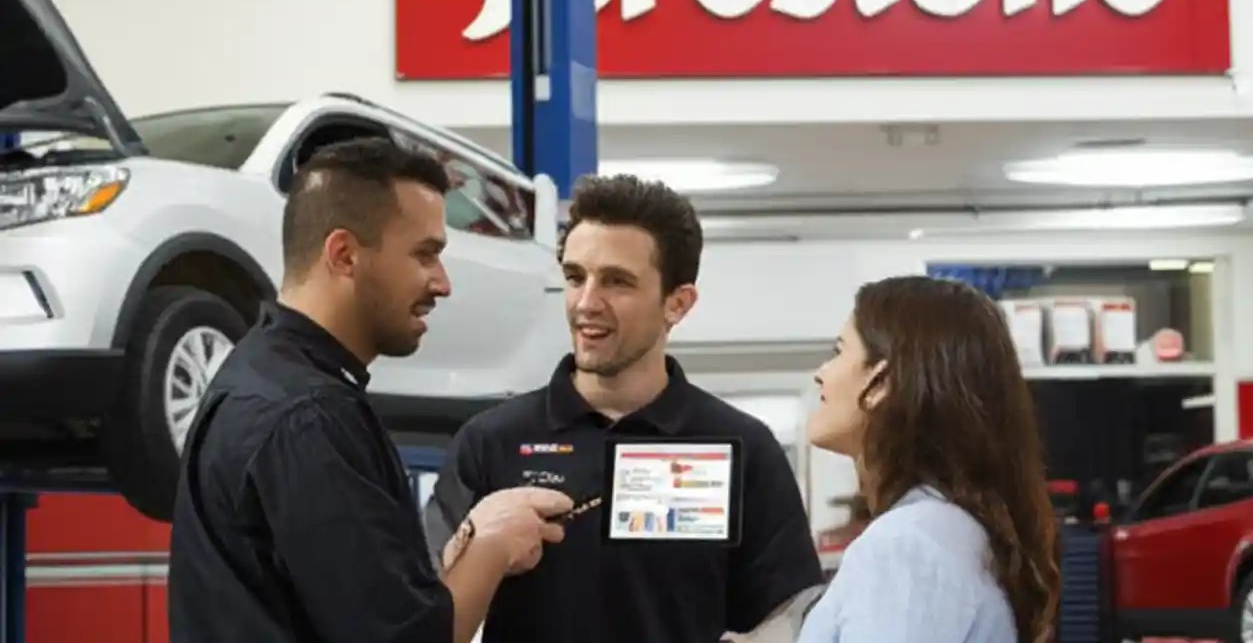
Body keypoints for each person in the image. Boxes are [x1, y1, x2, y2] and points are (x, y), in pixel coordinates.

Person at [167, 137, 573, 643]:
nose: (443, 283)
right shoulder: (309, 420)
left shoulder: (253, 376)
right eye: (425, 255)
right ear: (344, 255)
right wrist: (492, 544)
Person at [424, 174, 825, 642]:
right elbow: (424, 615)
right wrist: (484, 547)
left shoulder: (744, 449)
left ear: (677, 304)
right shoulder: (491, 441)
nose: (586, 303)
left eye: (617, 282)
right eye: (575, 277)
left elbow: (786, 620)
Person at [797, 276, 1061, 643]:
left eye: (839, 352)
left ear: (882, 381)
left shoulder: (905, 546)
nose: (821, 373)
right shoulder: (947, 529)